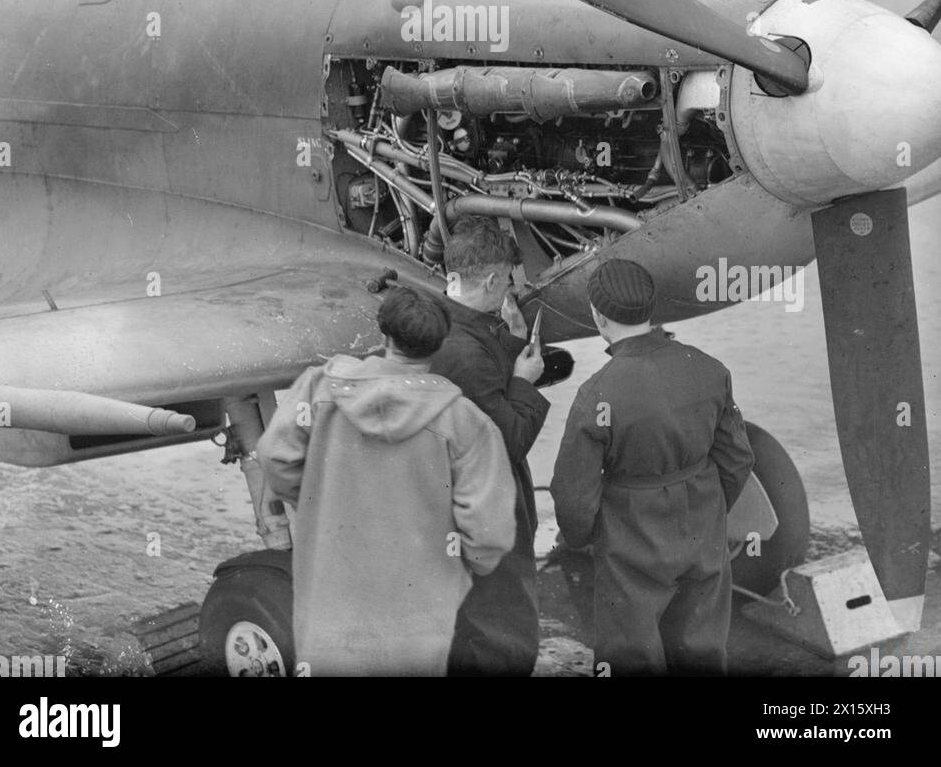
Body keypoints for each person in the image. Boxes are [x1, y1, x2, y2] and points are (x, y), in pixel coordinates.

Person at [257, 285, 516, 677]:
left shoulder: (318, 388)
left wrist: (317, 503)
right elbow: (488, 534)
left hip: (330, 599)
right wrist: (462, 568)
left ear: (385, 336)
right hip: (420, 617)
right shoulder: (467, 424)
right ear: (438, 344)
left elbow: (275, 457)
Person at [551, 258, 754, 676]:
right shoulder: (709, 368)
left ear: (597, 315)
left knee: (630, 657)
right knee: (702, 652)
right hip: (703, 526)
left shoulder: (596, 395)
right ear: (651, 308)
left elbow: (573, 495)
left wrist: (583, 539)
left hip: (630, 537)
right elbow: (737, 459)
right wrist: (710, 510)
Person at [430, 216, 549, 676]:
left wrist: (512, 341)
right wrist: (524, 382)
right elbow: (509, 441)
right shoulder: (467, 353)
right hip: (485, 505)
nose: (510, 290)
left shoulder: (437, 320)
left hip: (444, 501)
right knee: (504, 628)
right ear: (495, 278)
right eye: (508, 281)